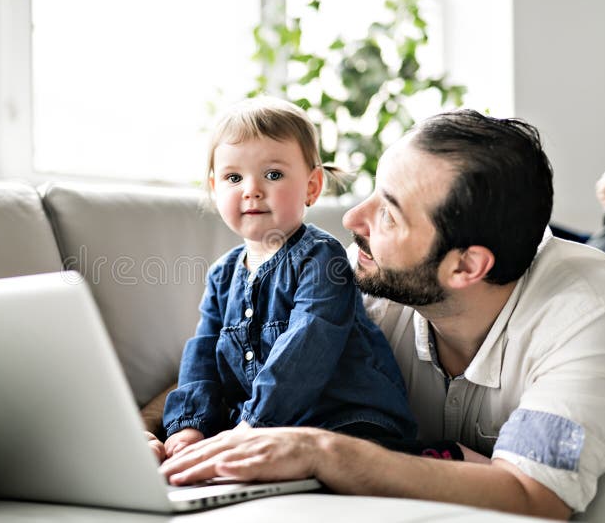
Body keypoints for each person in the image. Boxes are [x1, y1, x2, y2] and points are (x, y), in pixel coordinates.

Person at [157, 110, 605, 519]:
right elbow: (229, 354)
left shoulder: (589, 315)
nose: (354, 218)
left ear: (465, 266)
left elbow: (534, 496)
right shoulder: (365, 277)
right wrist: (146, 431)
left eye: (389, 215)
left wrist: (321, 450)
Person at [160, 96, 417, 459]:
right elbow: (201, 354)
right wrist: (189, 426)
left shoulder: (321, 258)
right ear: (215, 188)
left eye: (273, 174)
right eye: (234, 177)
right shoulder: (222, 276)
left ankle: (431, 456)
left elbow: (307, 345)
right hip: (264, 429)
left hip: (349, 424)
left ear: (312, 187)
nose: (252, 189)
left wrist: (252, 427)